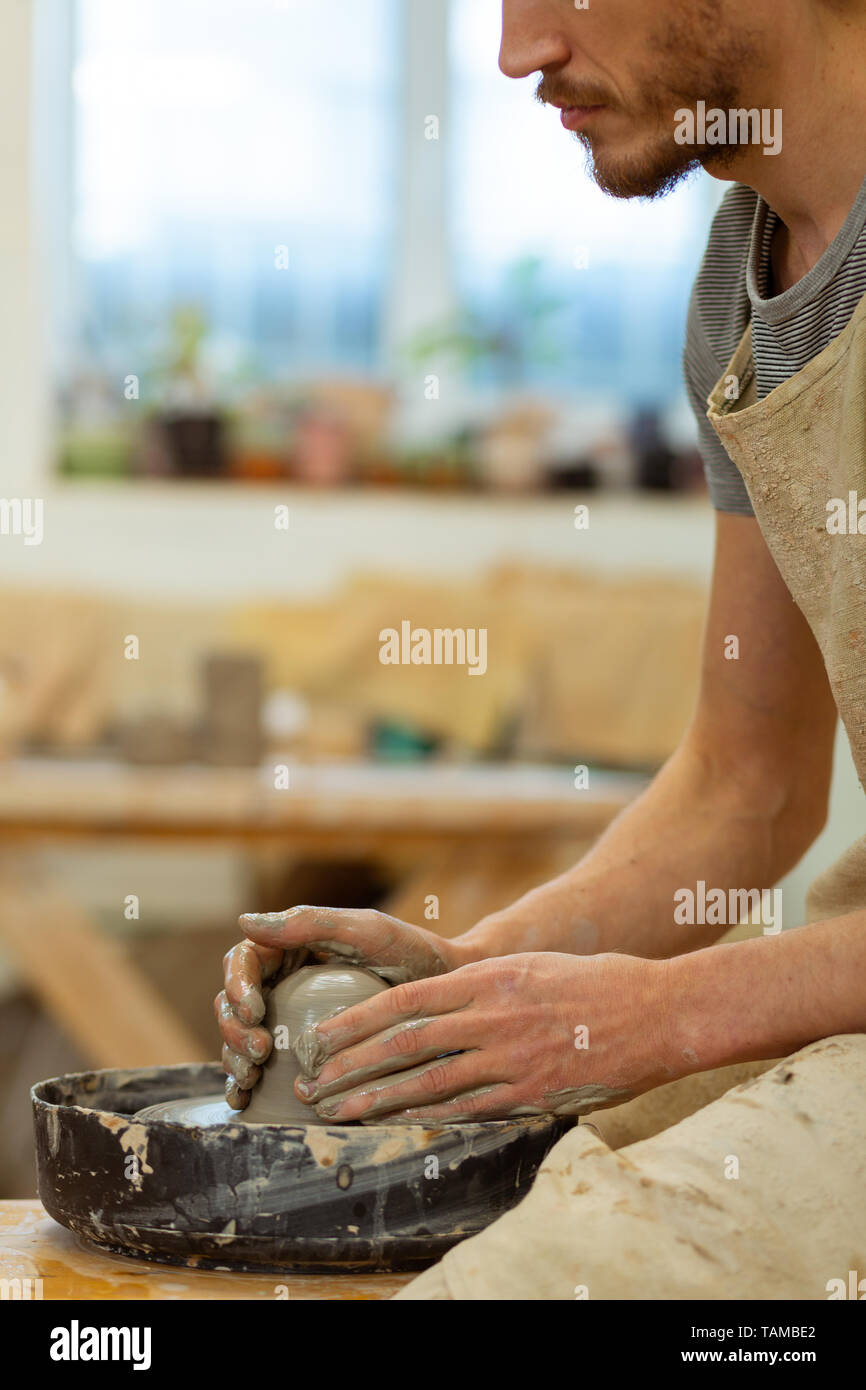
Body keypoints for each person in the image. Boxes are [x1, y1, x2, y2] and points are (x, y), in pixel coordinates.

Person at [216, 0, 866, 1298]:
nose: (516, 53)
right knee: (390, 1210)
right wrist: (460, 992)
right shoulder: (746, 274)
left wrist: (665, 1008)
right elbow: (747, 784)